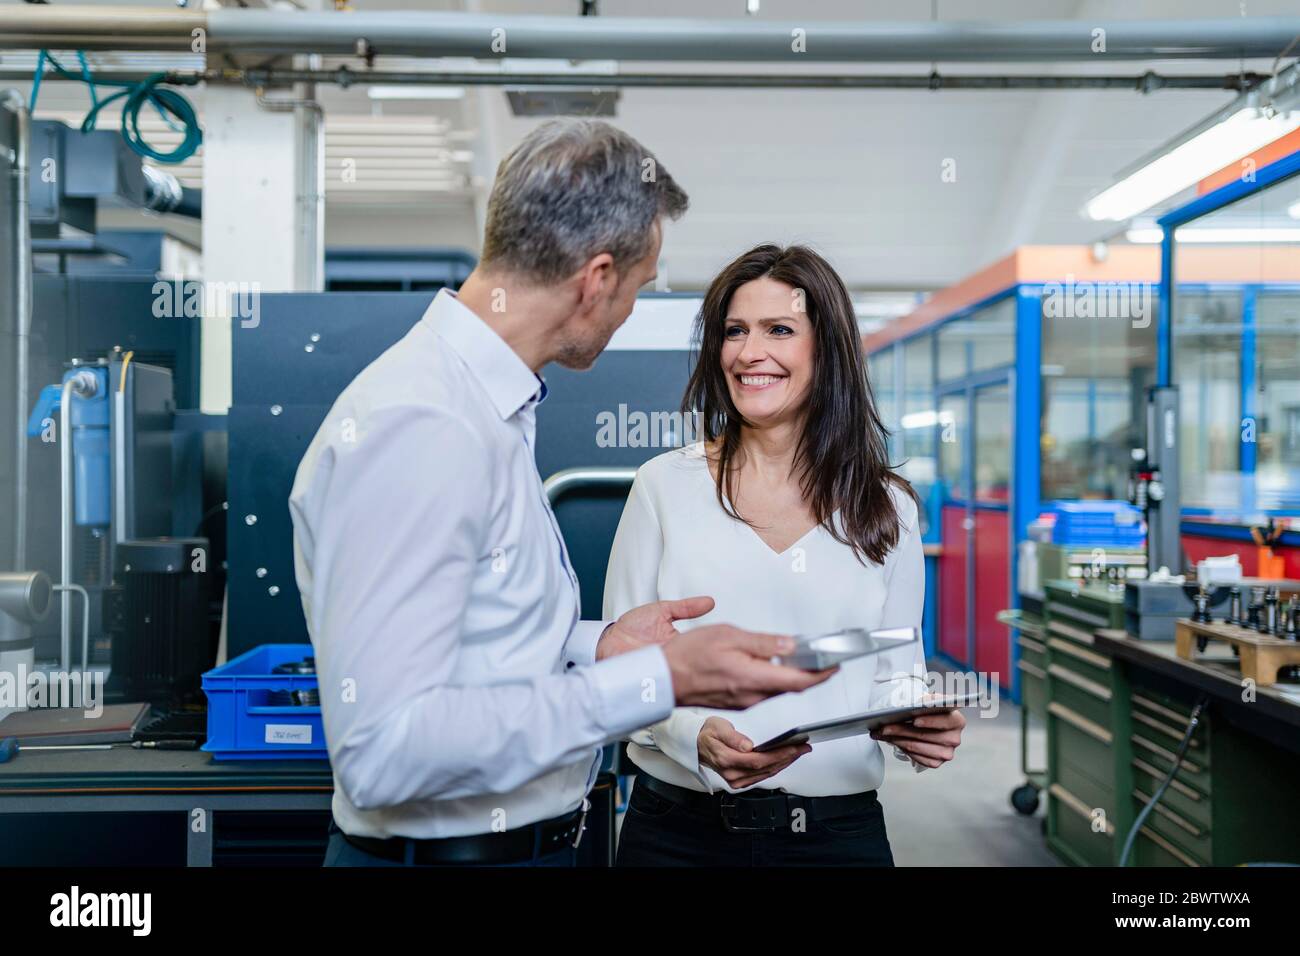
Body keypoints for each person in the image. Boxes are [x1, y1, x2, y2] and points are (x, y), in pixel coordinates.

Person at [290, 122, 831, 868]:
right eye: (639, 288)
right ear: (597, 279)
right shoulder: (421, 424)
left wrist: (597, 644)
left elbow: (476, 643)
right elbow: (385, 752)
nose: (633, 309)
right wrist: (657, 680)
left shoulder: (484, 407)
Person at [605, 244, 966, 867]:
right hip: (677, 835)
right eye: (735, 331)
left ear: (826, 351)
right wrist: (693, 736)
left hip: (835, 839)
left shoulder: (887, 506)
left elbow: (895, 668)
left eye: (780, 330)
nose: (750, 353)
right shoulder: (664, 485)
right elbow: (619, 669)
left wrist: (920, 723)